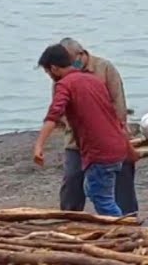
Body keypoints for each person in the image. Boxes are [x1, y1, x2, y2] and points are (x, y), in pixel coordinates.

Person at [33, 44, 135, 218]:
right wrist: (127, 147)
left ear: (54, 68)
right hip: (115, 145)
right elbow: (114, 116)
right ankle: (122, 224)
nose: (50, 77)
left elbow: (53, 115)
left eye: (48, 72)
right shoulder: (94, 80)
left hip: (99, 150)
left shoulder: (64, 85)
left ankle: (126, 228)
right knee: (97, 190)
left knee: (101, 197)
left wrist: (39, 146)